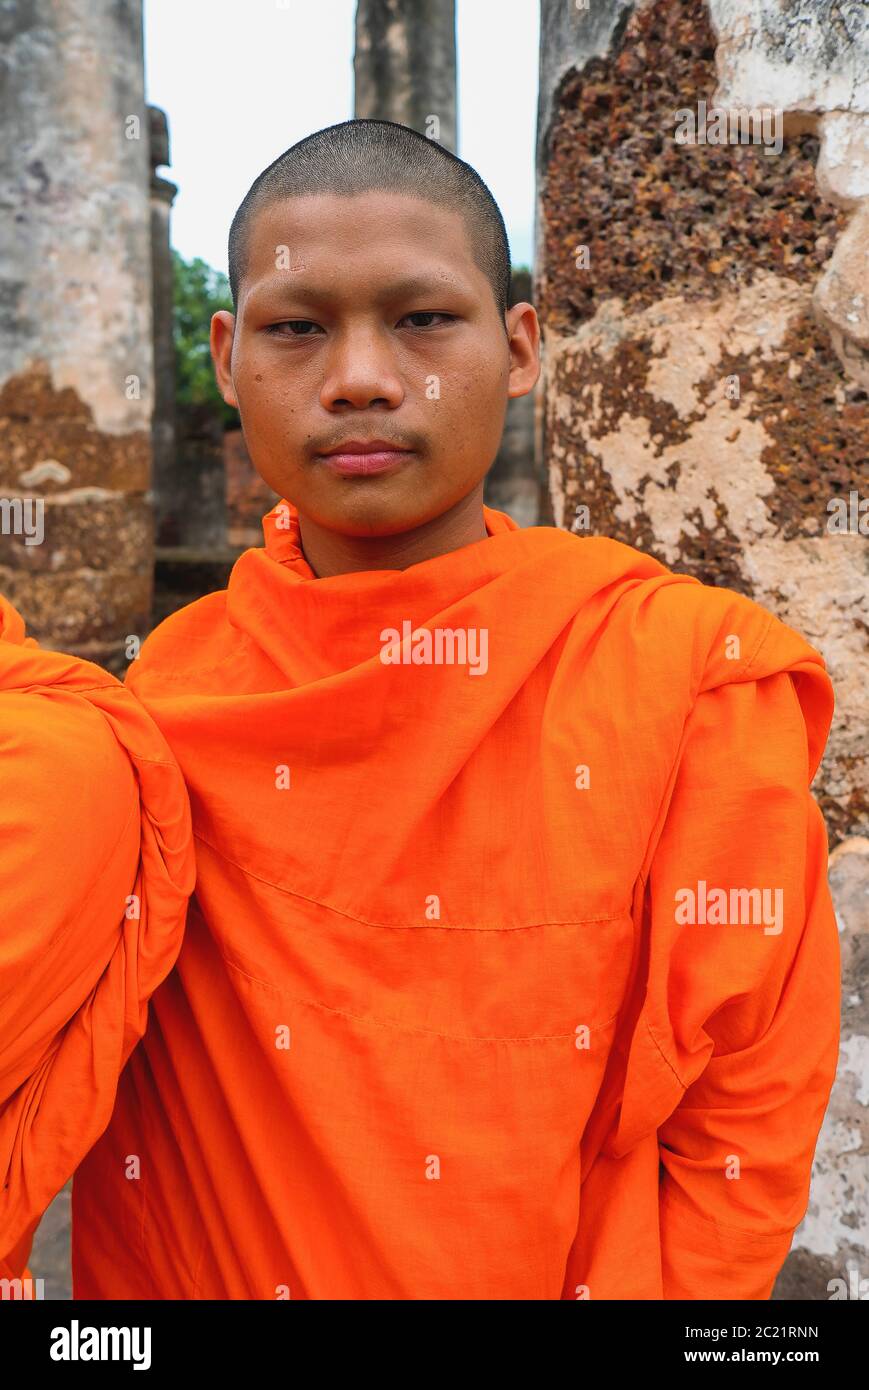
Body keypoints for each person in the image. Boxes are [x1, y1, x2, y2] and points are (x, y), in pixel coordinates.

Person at [2, 119, 839, 1300]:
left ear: (520, 350)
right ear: (229, 356)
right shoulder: (154, 717)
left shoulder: (674, 675)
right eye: (297, 328)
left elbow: (744, 1109)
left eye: (422, 318)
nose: (359, 376)